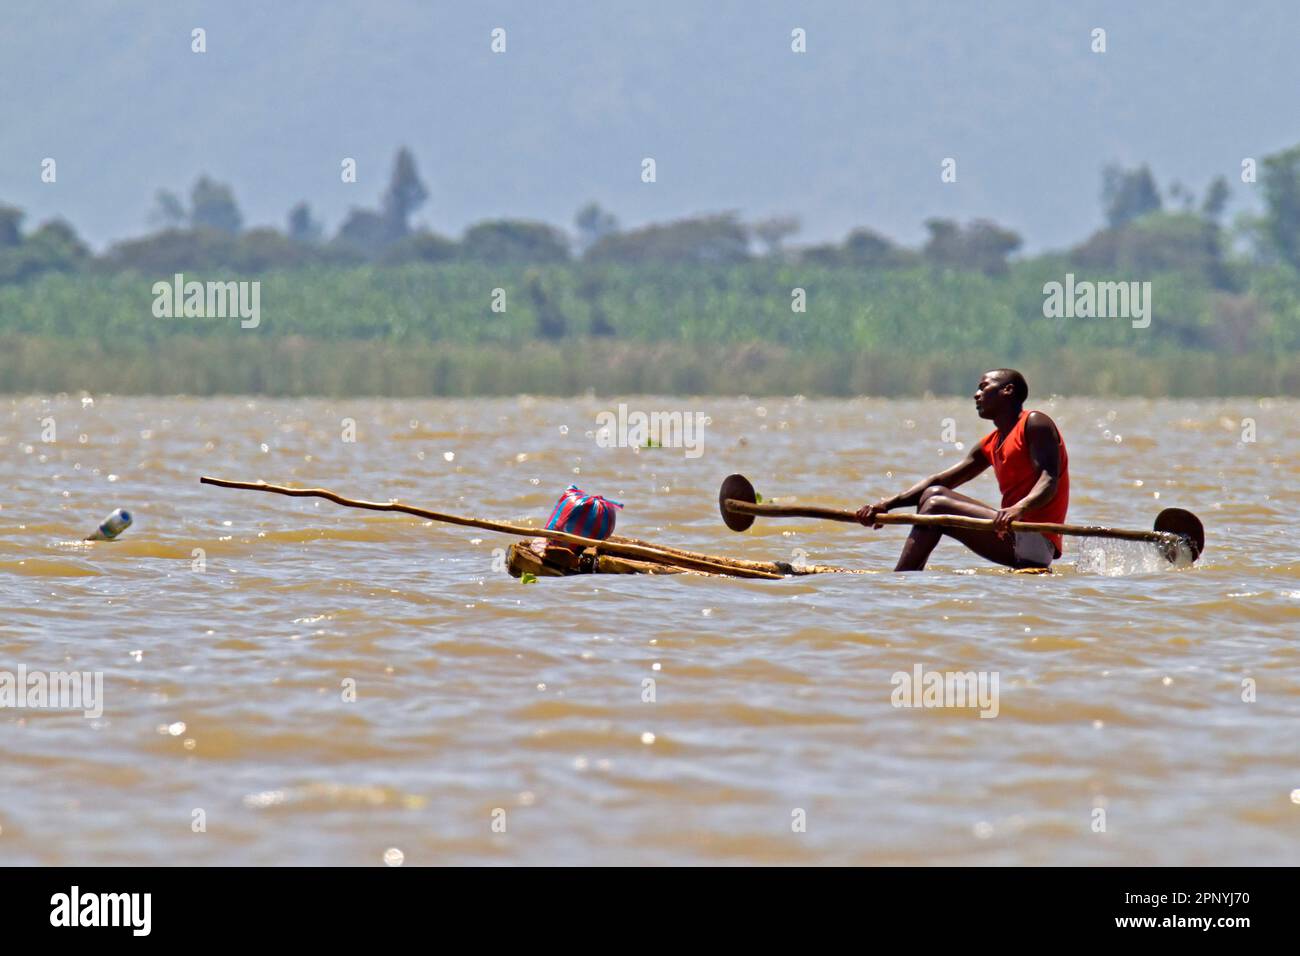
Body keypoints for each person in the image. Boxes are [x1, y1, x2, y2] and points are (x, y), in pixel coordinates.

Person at [857, 369, 1069, 571]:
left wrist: (1018, 509)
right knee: (933, 494)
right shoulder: (991, 443)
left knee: (936, 504)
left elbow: (1049, 480)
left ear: (1008, 390)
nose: (976, 395)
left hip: (1035, 543)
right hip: (1010, 533)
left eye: (983, 387)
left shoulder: (1034, 423)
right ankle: (909, 573)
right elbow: (940, 481)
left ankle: (903, 576)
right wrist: (886, 505)